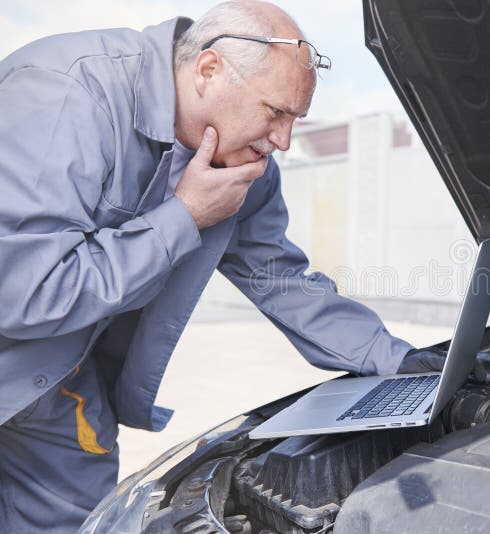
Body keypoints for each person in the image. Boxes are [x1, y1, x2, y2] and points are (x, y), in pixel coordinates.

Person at [0, 1, 443, 530]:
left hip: (60, 381)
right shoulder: (66, 94)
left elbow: (281, 280)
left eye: (295, 120)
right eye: (275, 112)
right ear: (208, 70)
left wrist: (399, 362)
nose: (283, 140)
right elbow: (24, 293)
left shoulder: (248, 167)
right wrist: (184, 215)